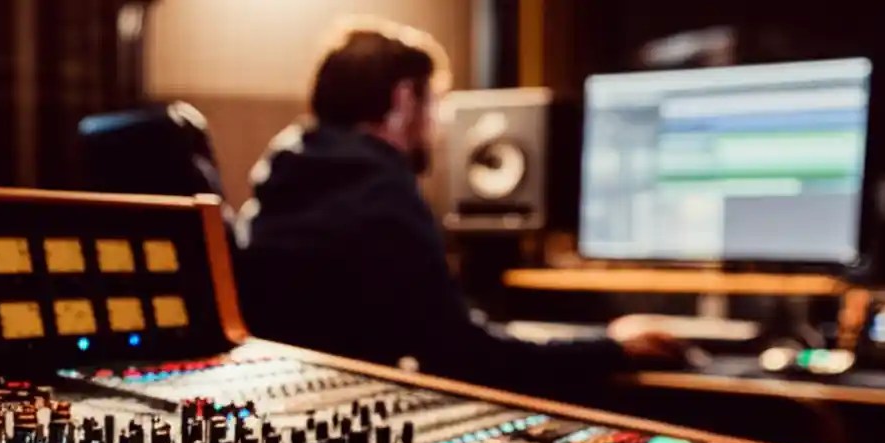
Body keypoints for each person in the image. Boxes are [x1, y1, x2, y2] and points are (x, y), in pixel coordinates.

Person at [234, 18, 684, 392]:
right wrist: (612, 347)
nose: (439, 126)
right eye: (436, 104)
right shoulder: (379, 195)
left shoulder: (282, 176)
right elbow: (467, 356)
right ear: (404, 98)